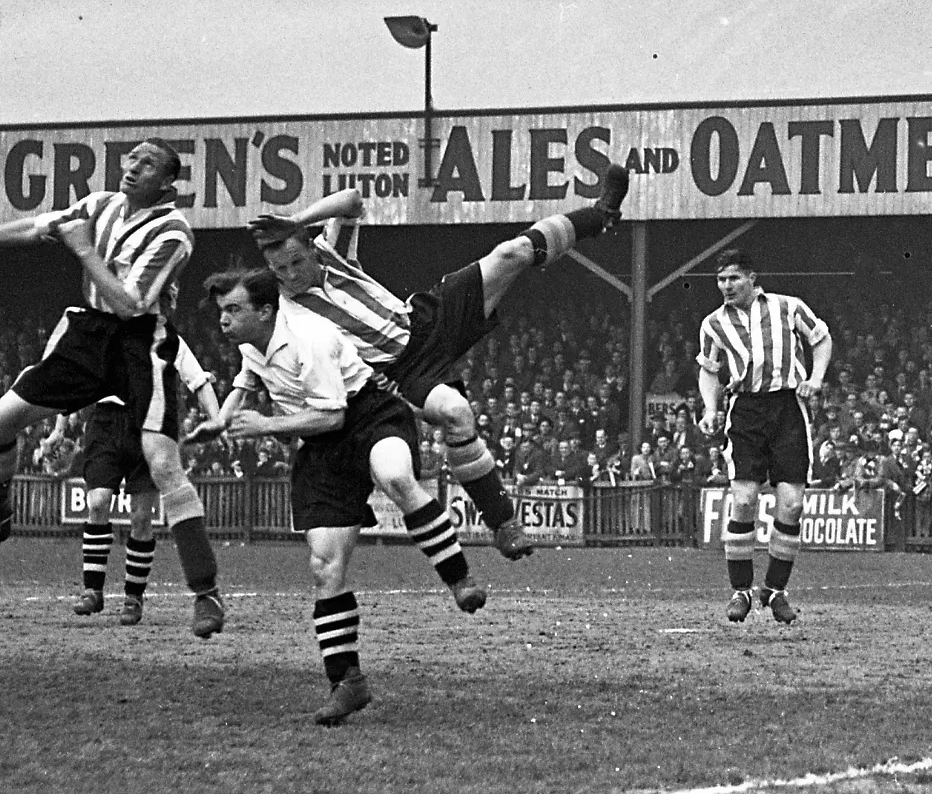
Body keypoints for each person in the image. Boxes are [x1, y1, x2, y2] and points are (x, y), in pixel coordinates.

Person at [247, 165, 629, 560]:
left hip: (425, 318)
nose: (291, 275)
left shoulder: (332, 252)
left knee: (510, 253)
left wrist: (295, 220)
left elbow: (351, 200)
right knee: (456, 412)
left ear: (311, 248)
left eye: (296, 262)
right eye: (281, 270)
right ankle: (503, 523)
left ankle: (600, 216)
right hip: (401, 371)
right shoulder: (288, 316)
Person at [196, 268, 485, 726]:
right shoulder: (253, 342)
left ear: (265, 311)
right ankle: (346, 682)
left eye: (233, 310)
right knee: (324, 565)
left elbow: (333, 417)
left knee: (395, 476)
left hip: (367, 415)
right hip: (320, 446)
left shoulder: (309, 338)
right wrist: (221, 419)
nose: (224, 321)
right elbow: (247, 380)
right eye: (221, 311)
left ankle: (459, 579)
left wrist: (266, 425)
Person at [0, 139, 226, 637]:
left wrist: (82, 248)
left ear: (167, 183)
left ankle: (205, 590)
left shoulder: (173, 232)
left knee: (163, 462)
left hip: (140, 342)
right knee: (2, 419)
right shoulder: (99, 204)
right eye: (132, 158)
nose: (133, 166)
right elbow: (38, 226)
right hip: (89, 334)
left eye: (148, 163)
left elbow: (129, 303)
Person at [38, 335, 219, 625]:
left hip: (149, 421)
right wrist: (59, 429)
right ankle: (92, 590)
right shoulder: (102, 333)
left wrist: (218, 420)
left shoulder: (167, 338)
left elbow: (199, 381)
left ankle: (133, 597)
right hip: (105, 423)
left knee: (141, 517)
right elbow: (75, 381)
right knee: (97, 502)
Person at [696, 249, 833, 625]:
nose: (726, 286)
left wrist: (815, 379)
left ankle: (774, 590)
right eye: (721, 280)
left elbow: (821, 339)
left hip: (788, 407)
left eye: (733, 278)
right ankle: (740, 591)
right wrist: (710, 408)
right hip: (746, 410)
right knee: (743, 500)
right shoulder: (714, 324)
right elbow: (708, 369)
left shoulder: (788, 307)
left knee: (792, 504)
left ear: (752, 279)